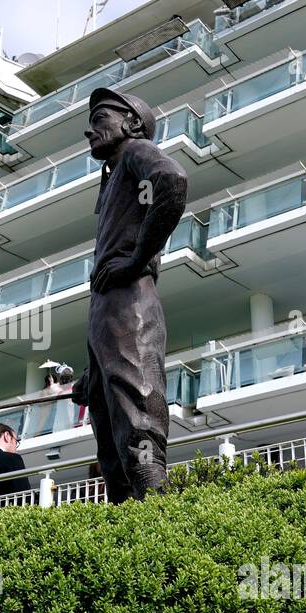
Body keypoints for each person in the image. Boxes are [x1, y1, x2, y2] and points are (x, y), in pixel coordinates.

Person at [72, 87, 189, 503]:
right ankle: (130, 539)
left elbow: (172, 181)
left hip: (130, 303)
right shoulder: (113, 176)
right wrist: (92, 372)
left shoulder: (137, 150)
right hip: (106, 313)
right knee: (111, 449)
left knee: (139, 437)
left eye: (100, 117)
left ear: (133, 123)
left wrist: (138, 258)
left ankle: (158, 533)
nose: (90, 130)